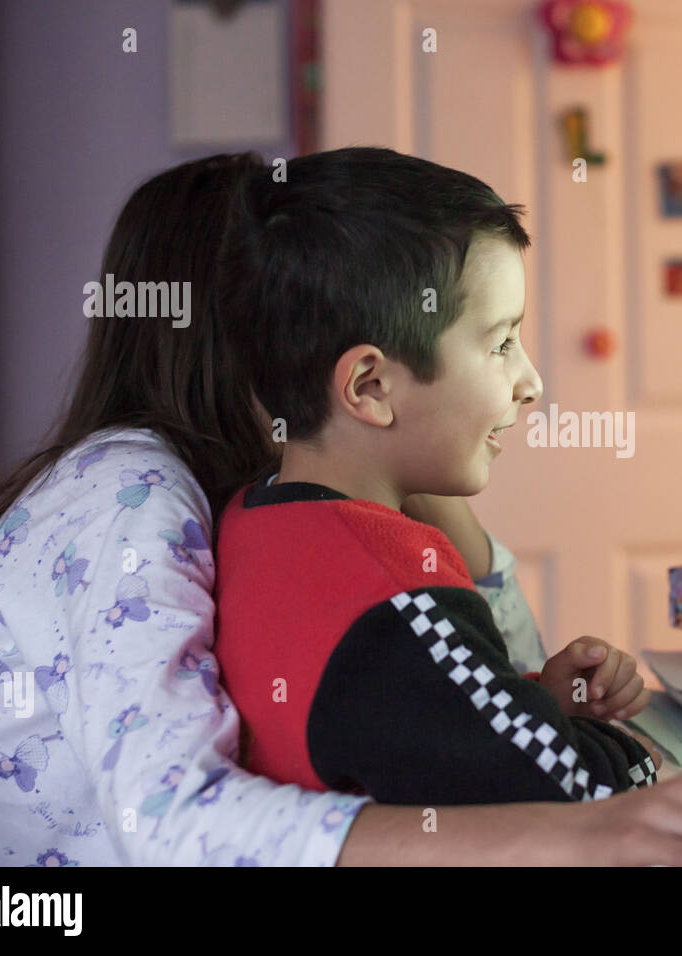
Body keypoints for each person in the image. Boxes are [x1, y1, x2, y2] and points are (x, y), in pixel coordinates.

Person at [0, 153, 682, 867]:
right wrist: (583, 834)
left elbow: (481, 696)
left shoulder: (267, 509)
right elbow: (172, 827)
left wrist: (414, 477)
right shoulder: (124, 496)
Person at [213, 148, 655, 804]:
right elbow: (576, 785)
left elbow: (431, 730)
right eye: (502, 343)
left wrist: (534, 700)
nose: (530, 382)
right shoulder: (393, 600)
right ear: (371, 386)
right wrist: (627, 750)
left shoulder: (257, 516)